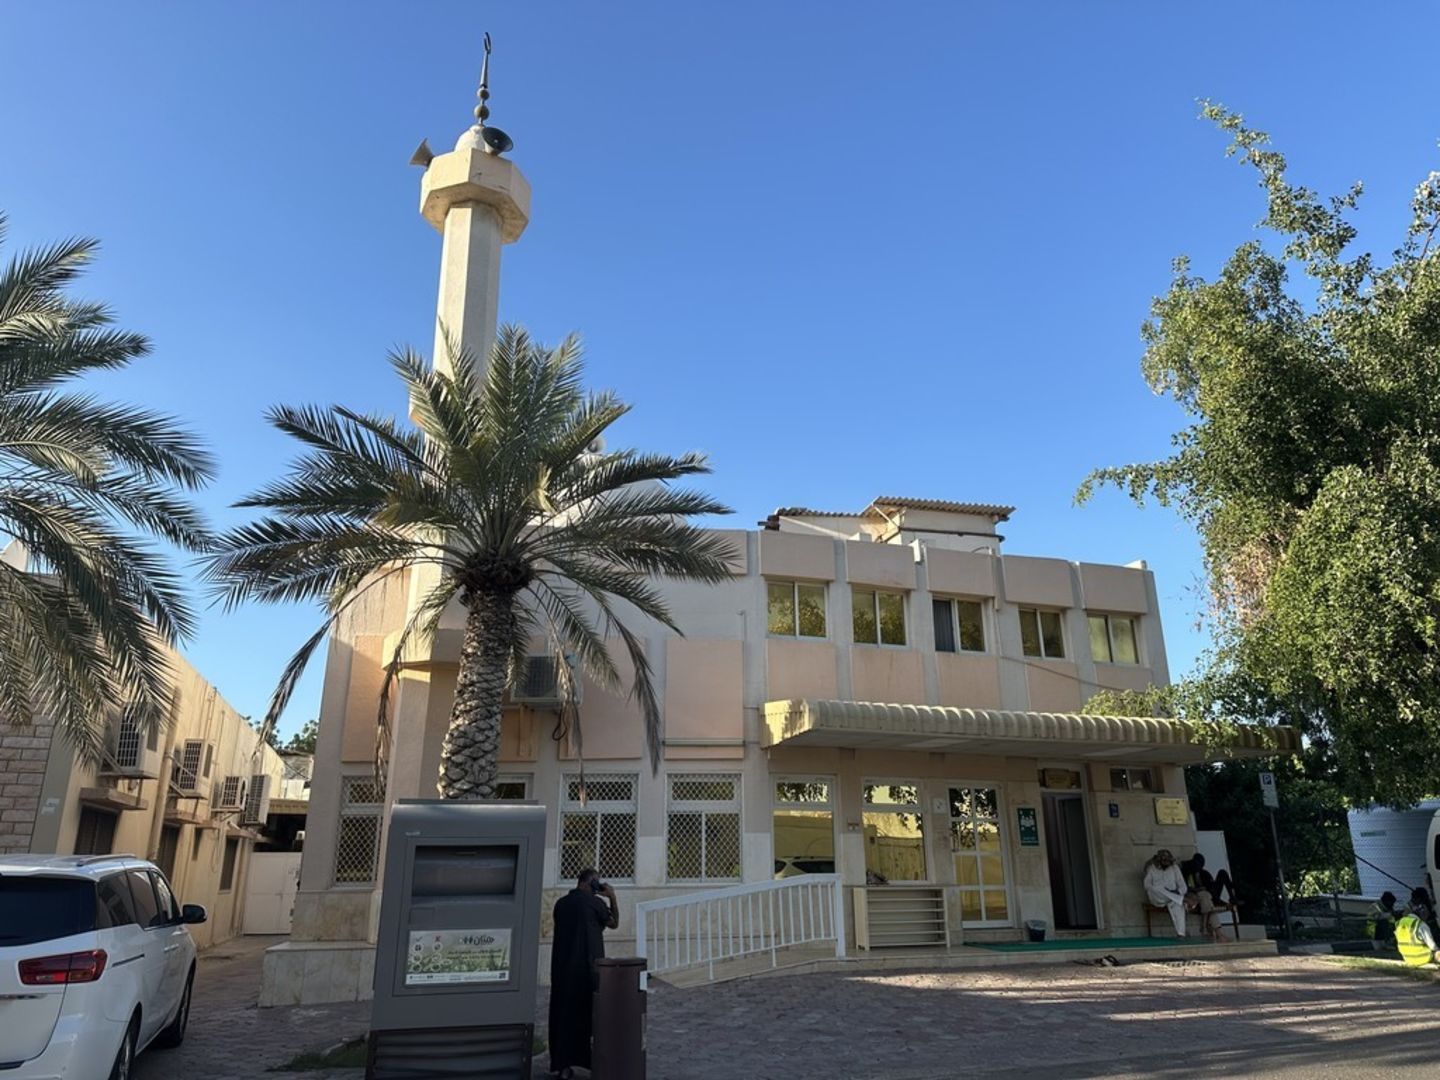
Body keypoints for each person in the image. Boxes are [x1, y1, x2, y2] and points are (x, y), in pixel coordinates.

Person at [548, 868, 619, 1079]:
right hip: (587, 970)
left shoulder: (561, 904)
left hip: (562, 970)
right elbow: (614, 922)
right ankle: (592, 1062)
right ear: (590, 883)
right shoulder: (594, 903)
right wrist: (612, 897)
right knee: (590, 1016)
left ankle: (563, 1066)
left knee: (563, 1017)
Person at [1181, 853, 1238, 941]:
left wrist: (1223, 901)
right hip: (1197, 898)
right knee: (1205, 897)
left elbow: (1212, 890)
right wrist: (1196, 890)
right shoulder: (1188, 873)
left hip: (1210, 898)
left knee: (1221, 874)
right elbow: (1185, 887)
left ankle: (1205, 927)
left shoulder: (1205, 874)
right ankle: (1219, 934)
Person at [1144, 849, 1192, 937]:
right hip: (1158, 898)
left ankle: (1181, 934)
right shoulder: (1151, 868)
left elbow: (1183, 887)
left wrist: (1177, 892)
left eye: (1168, 862)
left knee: (1178, 904)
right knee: (1157, 888)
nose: (1167, 864)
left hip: (1173, 898)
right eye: (1164, 861)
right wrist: (1164, 891)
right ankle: (1182, 899)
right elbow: (1147, 886)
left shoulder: (1174, 868)